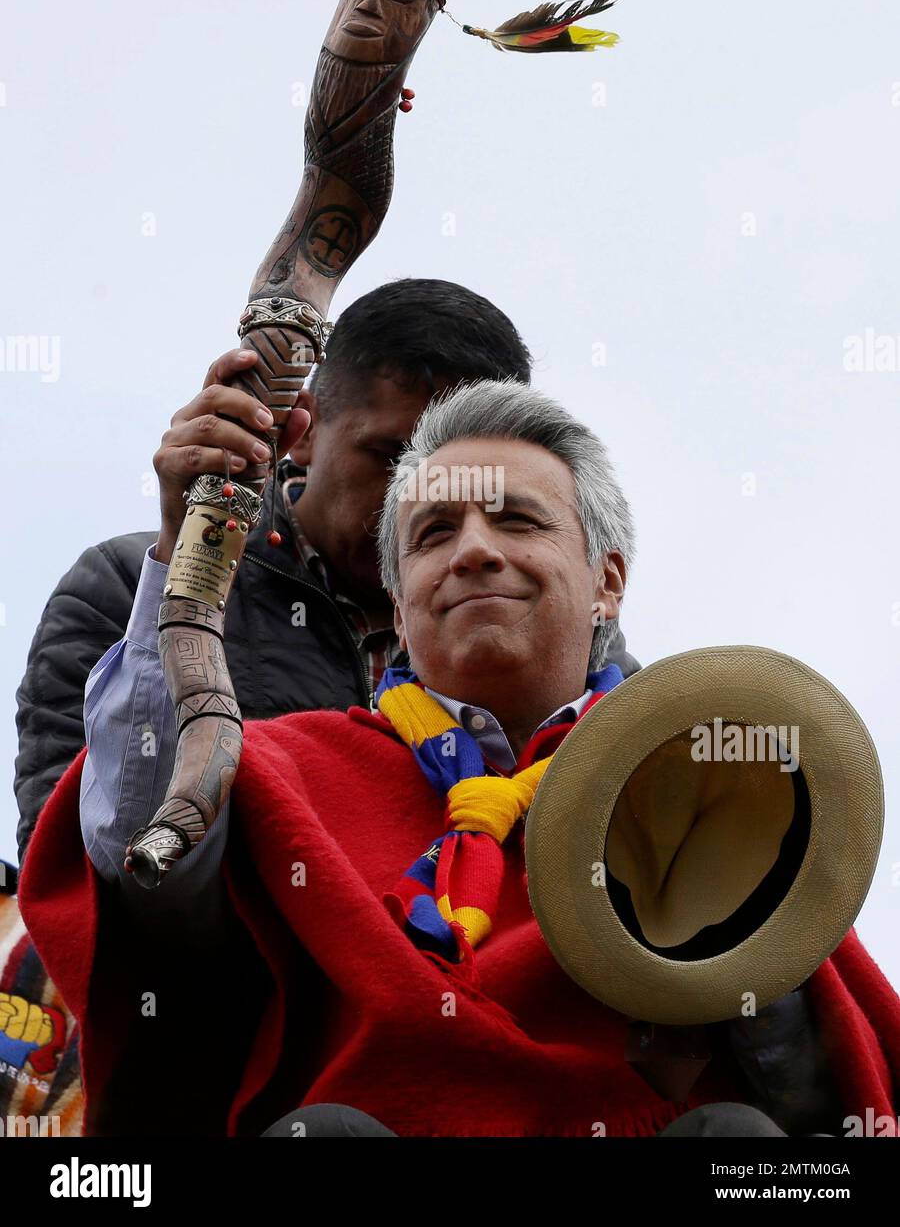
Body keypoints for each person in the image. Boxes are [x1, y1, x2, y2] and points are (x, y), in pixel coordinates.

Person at [20, 380, 900, 1137]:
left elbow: (832, 1074)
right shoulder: (284, 767)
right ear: (399, 613)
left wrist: (731, 951)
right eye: (435, 534)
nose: (475, 548)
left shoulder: (701, 779)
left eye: (517, 519)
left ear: (608, 583)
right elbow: (139, 853)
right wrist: (190, 550)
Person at [12, 278, 641, 865]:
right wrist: (192, 555)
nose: (417, 491)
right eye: (390, 455)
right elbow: (73, 871)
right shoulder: (127, 588)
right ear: (302, 429)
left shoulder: (597, 666)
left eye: (487, 491)